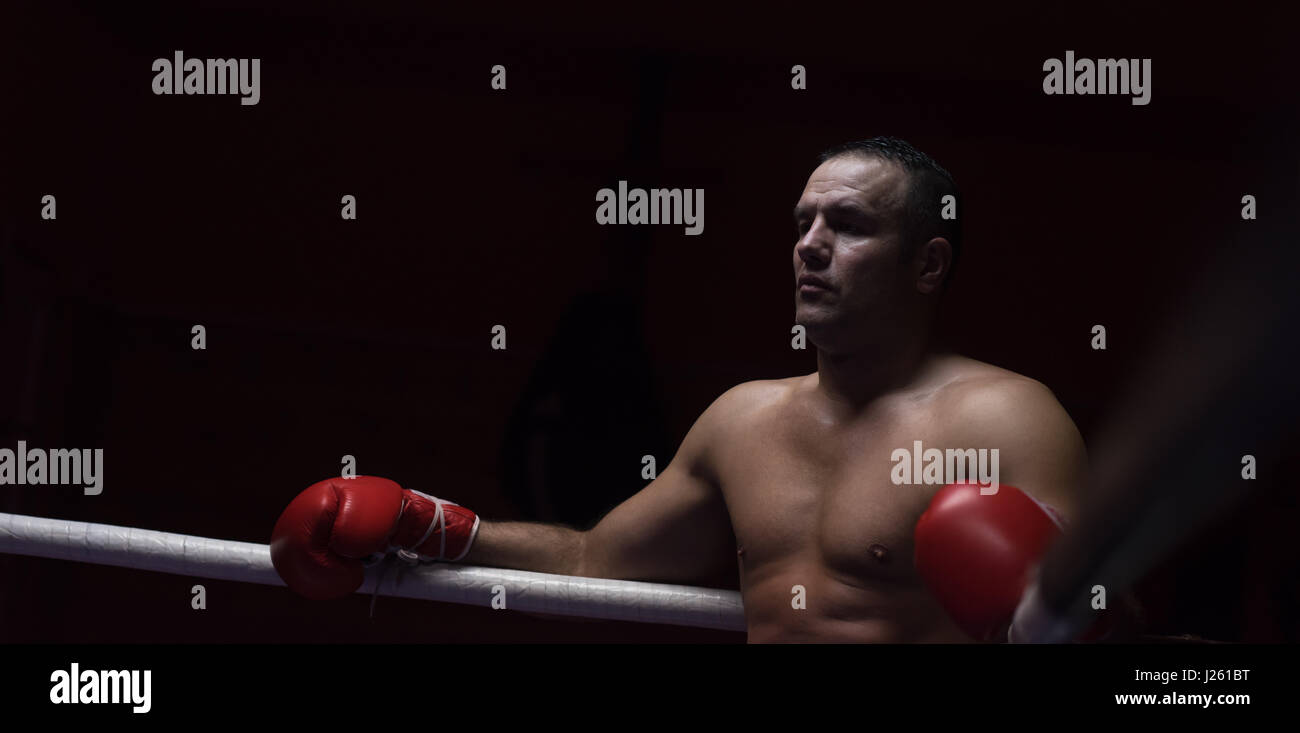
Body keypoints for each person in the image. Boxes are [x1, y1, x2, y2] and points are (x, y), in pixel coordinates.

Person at [272, 136, 1089, 642]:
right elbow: (598, 560)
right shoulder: (743, 421)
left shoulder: (1003, 414)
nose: (809, 245)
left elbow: (1088, 610)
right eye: (801, 222)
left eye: (847, 225)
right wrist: (435, 524)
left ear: (928, 264)